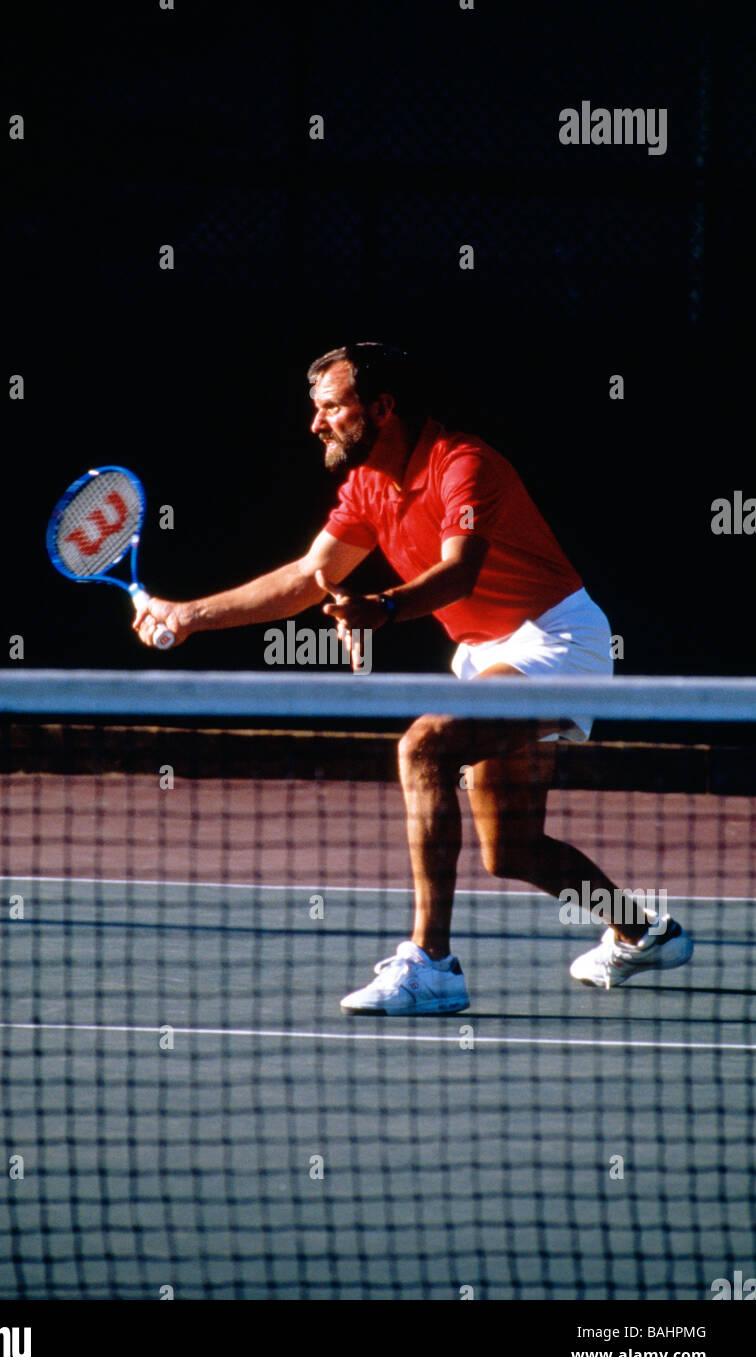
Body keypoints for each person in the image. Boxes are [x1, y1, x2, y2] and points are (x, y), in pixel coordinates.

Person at [134, 342, 693, 1013]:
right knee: (511, 849)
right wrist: (189, 616)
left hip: (558, 641)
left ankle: (432, 963)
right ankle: (642, 931)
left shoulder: (464, 463)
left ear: (381, 408)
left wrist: (387, 607)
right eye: (315, 411)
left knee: (424, 746)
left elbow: (460, 571)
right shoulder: (369, 483)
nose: (316, 424)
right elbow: (304, 580)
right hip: (486, 653)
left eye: (331, 408)